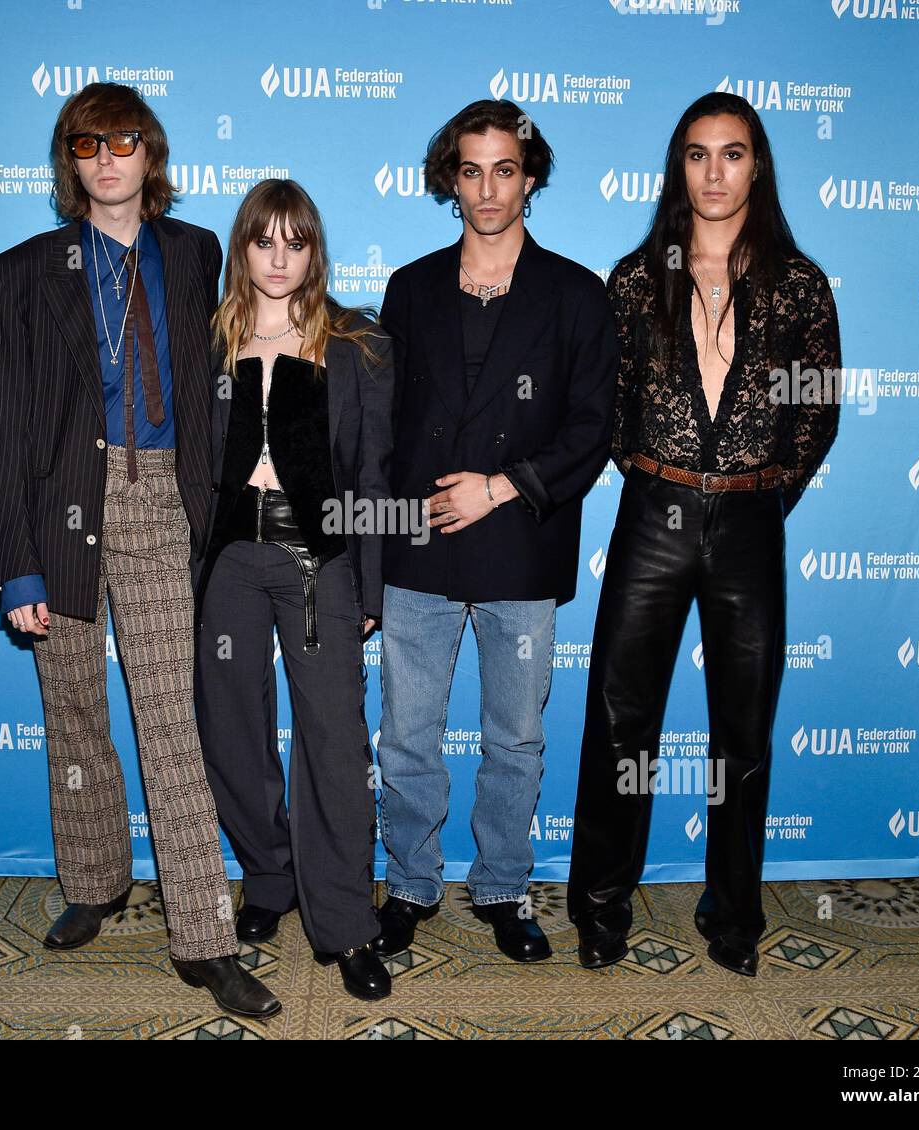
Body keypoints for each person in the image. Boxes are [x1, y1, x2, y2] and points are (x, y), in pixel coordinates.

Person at [0, 81, 277, 1018]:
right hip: (58, 504)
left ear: (153, 155)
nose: (107, 158)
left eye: (125, 140)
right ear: (69, 162)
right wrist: (16, 564)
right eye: (86, 144)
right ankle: (95, 882)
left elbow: (235, 375)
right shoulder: (16, 272)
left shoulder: (194, 256)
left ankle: (204, 940)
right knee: (72, 715)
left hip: (161, 504)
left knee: (171, 727)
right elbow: (6, 434)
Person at [566, 91, 842, 977]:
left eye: (732, 153)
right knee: (618, 719)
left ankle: (733, 917)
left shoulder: (800, 284)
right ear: (677, 167)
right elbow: (605, 412)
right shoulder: (636, 277)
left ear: (756, 165)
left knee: (744, 733)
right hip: (656, 513)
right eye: (697, 154)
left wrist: (759, 499)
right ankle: (601, 908)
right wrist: (666, 484)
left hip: (752, 519)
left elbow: (816, 414)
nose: (714, 171)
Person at [374, 99, 618, 963]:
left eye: (504, 169)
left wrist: (504, 487)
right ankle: (408, 883)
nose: (487, 189)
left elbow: (595, 429)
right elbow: (379, 432)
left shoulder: (578, 294)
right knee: (408, 735)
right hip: (417, 547)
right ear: (450, 178)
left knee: (515, 737)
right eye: (470, 171)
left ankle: (505, 888)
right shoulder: (408, 288)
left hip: (520, 547)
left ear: (532, 175)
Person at [193, 179, 395, 1002]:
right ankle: (270, 878)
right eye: (263, 242)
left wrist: (371, 580)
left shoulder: (355, 340)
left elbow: (375, 468)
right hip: (233, 558)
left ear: (315, 251)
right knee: (230, 731)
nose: (279, 259)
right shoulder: (210, 340)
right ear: (243, 248)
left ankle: (346, 924)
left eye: (296, 242)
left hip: (323, 563)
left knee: (335, 746)